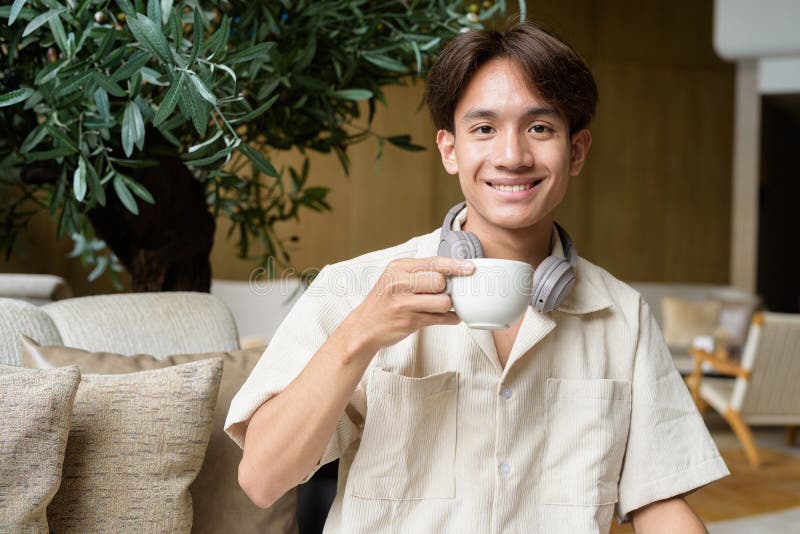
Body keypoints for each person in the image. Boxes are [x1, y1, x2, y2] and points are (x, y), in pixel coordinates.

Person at [225, 21, 729, 533]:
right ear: (450, 150)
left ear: (575, 152)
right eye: (484, 128)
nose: (511, 156)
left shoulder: (623, 315)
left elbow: (658, 503)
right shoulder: (354, 288)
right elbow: (262, 480)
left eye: (539, 128)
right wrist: (361, 332)